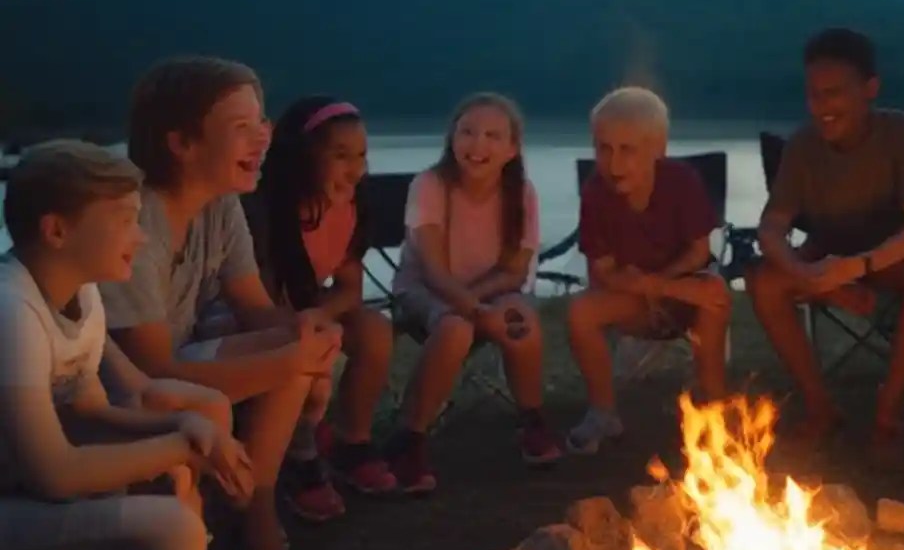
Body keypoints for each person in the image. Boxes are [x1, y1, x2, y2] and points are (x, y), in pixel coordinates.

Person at [99, 56, 370, 550]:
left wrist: (307, 330)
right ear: (182, 143)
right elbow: (150, 371)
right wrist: (292, 359)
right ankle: (258, 536)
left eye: (263, 123)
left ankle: (255, 518)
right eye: (242, 127)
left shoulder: (221, 208)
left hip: (173, 373)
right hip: (108, 393)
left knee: (295, 343)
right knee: (291, 357)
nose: (263, 138)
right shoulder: (133, 219)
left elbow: (259, 311)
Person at [0, 140, 250, 550]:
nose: (141, 236)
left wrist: (182, 425)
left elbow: (90, 407)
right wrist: (181, 449)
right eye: (123, 221)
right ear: (57, 230)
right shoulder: (13, 310)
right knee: (173, 531)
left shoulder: (80, 294)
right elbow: (54, 473)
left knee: (158, 477)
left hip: (16, 489)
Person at [745, 27, 904, 461]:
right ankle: (821, 409)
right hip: (827, 257)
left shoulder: (902, 134)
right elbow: (770, 229)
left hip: (889, 256)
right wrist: (813, 278)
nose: (822, 106)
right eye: (814, 94)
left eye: (834, 93)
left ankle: (888, 414)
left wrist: (855, 269)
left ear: (870, 89)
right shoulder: (802, 145)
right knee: (764, 281)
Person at [387, 92, 561, 493]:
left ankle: (531, 420)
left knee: (521, 322)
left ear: (512, 149)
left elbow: (515, 271)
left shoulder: (521, 193)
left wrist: (478, 302)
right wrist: (471, 308)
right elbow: (431, 270)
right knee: (455, 329)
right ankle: (409, 438)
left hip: (487, 292)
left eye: (492, 136)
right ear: (452, 138)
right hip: (423, 293)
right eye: (467, 132)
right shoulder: (430, 185)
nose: (478, 144)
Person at [244, 96, 398, 522]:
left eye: (362, 155)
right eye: (341, 155)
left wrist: (320, 312)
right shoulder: (270, 209)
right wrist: (306, 320)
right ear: (305, 156)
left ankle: (354, 441)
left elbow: (350, 287)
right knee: (311, 347)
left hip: (310, 307)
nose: (356, 168)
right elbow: (256, 298)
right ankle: (301, 456)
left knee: (374, 331)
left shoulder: (350, 206)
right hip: (265, 314)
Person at [564, 87, 730, 455]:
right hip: (632, 299)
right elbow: (603, 272)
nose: (613, 162)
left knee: (715, 294)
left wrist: (660, 285)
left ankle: (713, 405)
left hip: (679, 293)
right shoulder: (596, 192)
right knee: (580, 310)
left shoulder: (681, 181)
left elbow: (699, 252)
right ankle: (603, 411)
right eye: (603, 148)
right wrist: (651, 290)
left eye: (627, 150)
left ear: (658, 148)